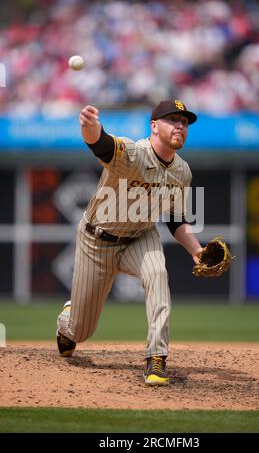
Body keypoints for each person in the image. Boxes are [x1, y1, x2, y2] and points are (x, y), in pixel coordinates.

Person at [56, 99, 203, 386]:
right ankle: (67, 320)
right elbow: (102, 144)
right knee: (81, 331)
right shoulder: (134, 154)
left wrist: (196, 250)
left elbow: (175, 219)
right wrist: (90, 127)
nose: (180, 126)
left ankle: (157, 358)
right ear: (154, 126)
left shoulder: (182, 171)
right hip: (96, 240)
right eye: (173, 120)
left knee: (158, 274)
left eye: (184, 122)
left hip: (140, 236)